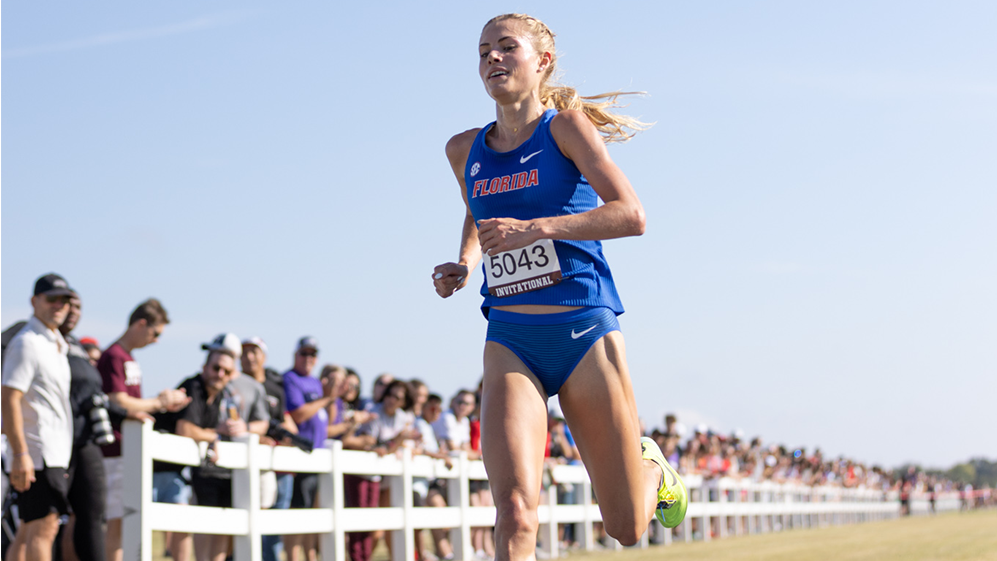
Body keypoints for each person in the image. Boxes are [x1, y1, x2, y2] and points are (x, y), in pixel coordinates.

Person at [431, 13, 687, 557]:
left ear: (542, 61)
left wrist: (536, 229)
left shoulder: (566, 129)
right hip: (510, 339)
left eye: (506, 48)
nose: (492, 59)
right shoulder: (462, 150)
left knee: (625, 526)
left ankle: (652, 469)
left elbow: (632, 215)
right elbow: (480, 213)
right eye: (483, 52)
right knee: (516, 513)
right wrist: (464, 261)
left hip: (583, 332)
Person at [99, 298, 190, 561]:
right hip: (114, 450)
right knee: (117, 522)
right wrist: (160, 402)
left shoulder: (127, 358)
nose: (156, 340)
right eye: (156, 332)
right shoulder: (114, 355)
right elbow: (117, 401)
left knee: (127, 522)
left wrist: (160, 406)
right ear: (141, 324)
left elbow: (132, 404)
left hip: (129, 450)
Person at [1, 274, 76, 561]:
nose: (59, 305)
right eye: (52, 298)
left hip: (52, 452)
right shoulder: (27, 343)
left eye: (64, 300)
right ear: (35, 301)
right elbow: (9, 397)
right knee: (44, 530)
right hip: (37, 452)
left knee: (28, 530)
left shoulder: (55, 343)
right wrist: (20, 453)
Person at [173, 346, 243, 561]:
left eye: (227, 371)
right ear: (204, 367)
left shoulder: (223, 396)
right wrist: (215, 434)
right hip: (166, 470)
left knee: (219, 522)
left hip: (197, 469)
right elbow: (184, 429)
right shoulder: (193, 386)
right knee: (191, 522)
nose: (220, 374)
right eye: (216, 368)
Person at [242, 336, 297, 561]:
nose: (249, 356)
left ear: (264, 356)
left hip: (276, 463)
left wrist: (289, 438)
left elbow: (285, 421)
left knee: (274, 527)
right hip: (246, 462)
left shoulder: (275, 388)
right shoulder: (233, 384)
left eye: (254, 351)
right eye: (245, 352)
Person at [282, 337, 328, 561]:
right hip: (301, 457)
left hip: (318, 458)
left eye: (312, 354)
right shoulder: (290, 379)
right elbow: (298, 414)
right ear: (295, 355)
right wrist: (327, 399)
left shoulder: (315, 383)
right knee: (298, 514)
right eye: (304, 353)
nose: (308, 358)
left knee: (312, 515)